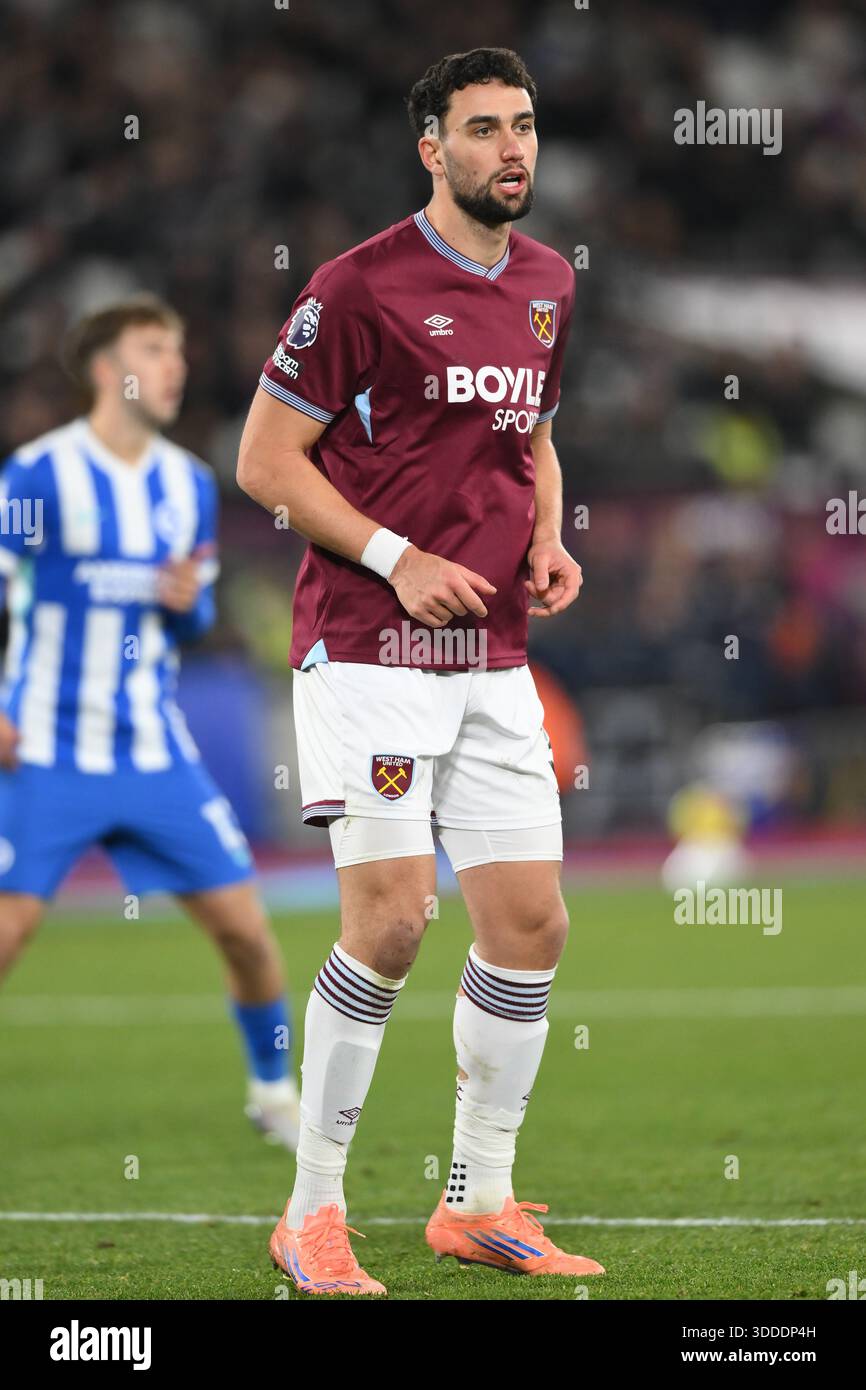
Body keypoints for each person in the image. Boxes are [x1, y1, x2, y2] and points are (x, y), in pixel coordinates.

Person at [238, 47, 604, 1295]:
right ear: (430, 149)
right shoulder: (357, 289)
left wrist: (549, 533)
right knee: (392, 921)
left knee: (529, 922)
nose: (513, 149)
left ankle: (478, 1198)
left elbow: (532, 438)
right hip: (367, 644)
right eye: (485, 128)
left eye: (525, 127)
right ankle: (312, 1214)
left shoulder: (549, 282)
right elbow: (267, 461)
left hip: (492, 650)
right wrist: (396, 557)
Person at [0, 294, 299, 1150]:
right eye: (155, 348)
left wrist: (187, 602)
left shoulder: (186, 482)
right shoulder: (37, 475)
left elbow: (195, 619)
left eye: (178, 349)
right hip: (48, 748)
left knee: (246, 930)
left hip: (153, 750)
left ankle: (275, 1091)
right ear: (107, 369)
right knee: (10, 933)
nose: (177, 365)